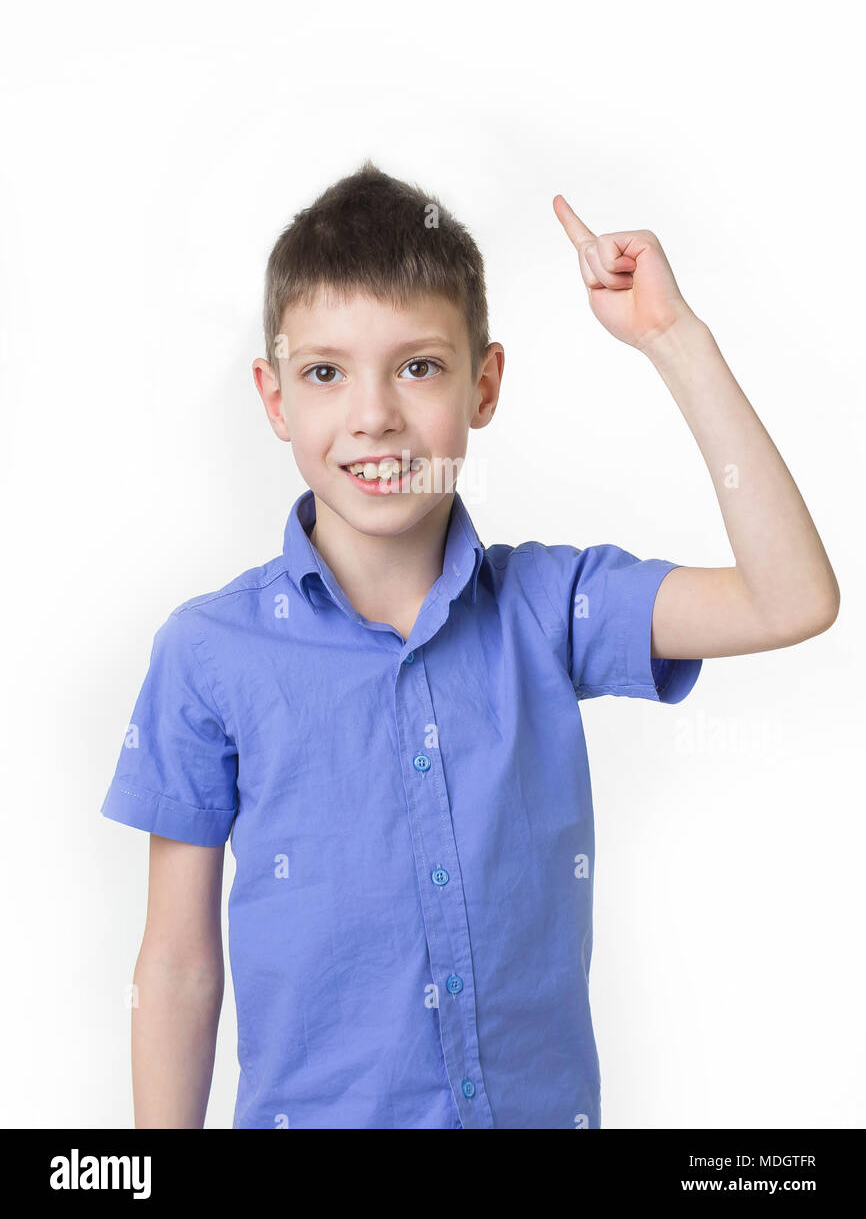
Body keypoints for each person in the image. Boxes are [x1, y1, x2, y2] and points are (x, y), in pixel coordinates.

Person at [101, 159, 839, 1129]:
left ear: (483, 384)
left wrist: (672, 339)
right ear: (274, 399)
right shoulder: (208, 653)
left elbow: (790, 599)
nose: (373, 414)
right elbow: (177, 964)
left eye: (418, 366)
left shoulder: (552, 605)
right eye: (325, 372)